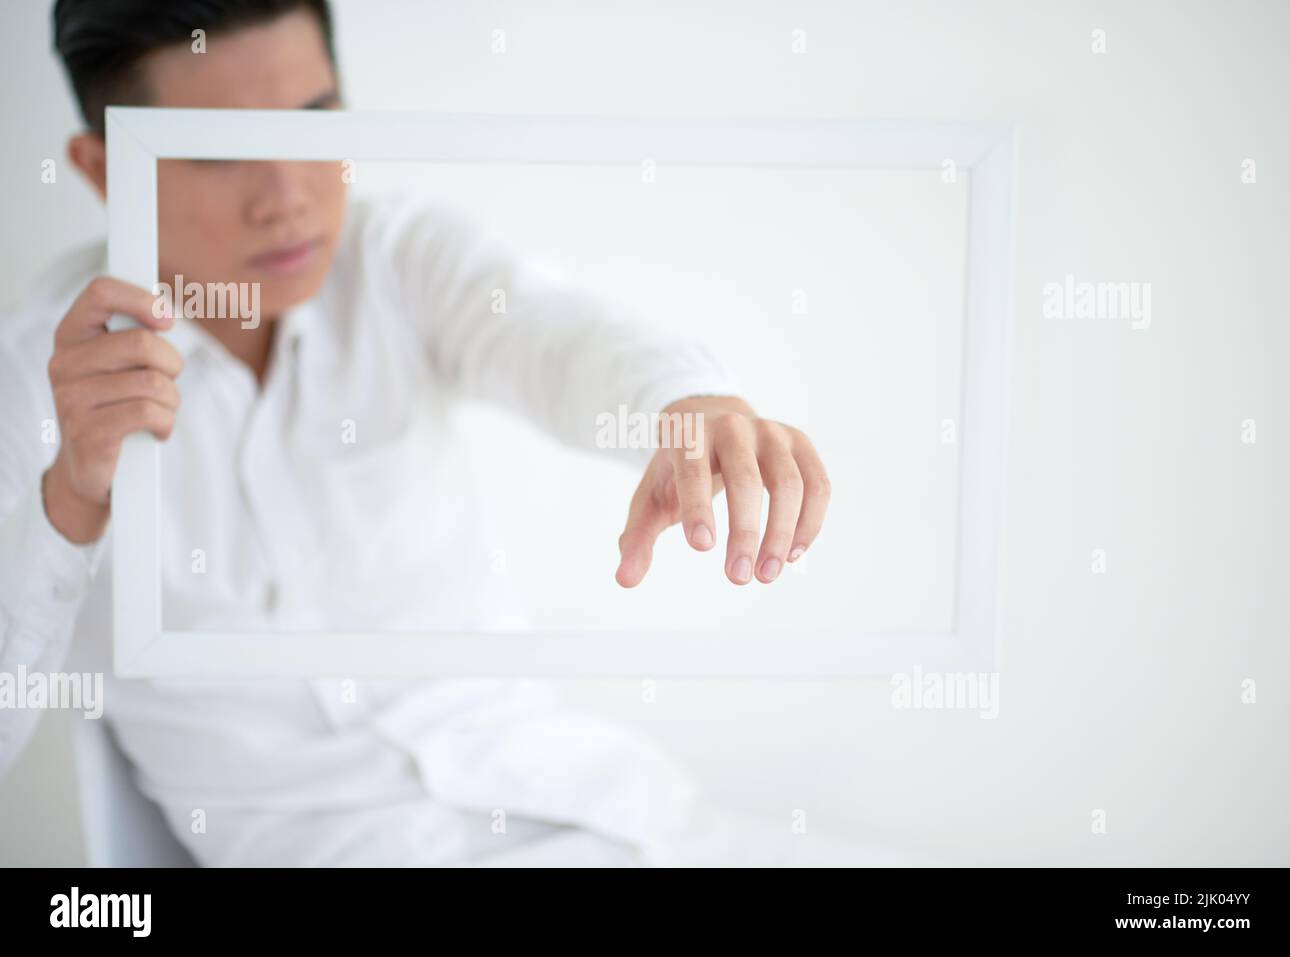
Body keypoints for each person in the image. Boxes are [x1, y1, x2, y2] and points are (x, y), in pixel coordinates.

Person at [0, 0, 837, 866]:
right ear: (105, 172)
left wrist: (686, 404)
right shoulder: (33, 379)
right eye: (219, 149)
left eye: (313, 123)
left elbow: (553, 336)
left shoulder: (396, 259)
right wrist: (69, 502)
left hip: (610, 821)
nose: (287, 197)